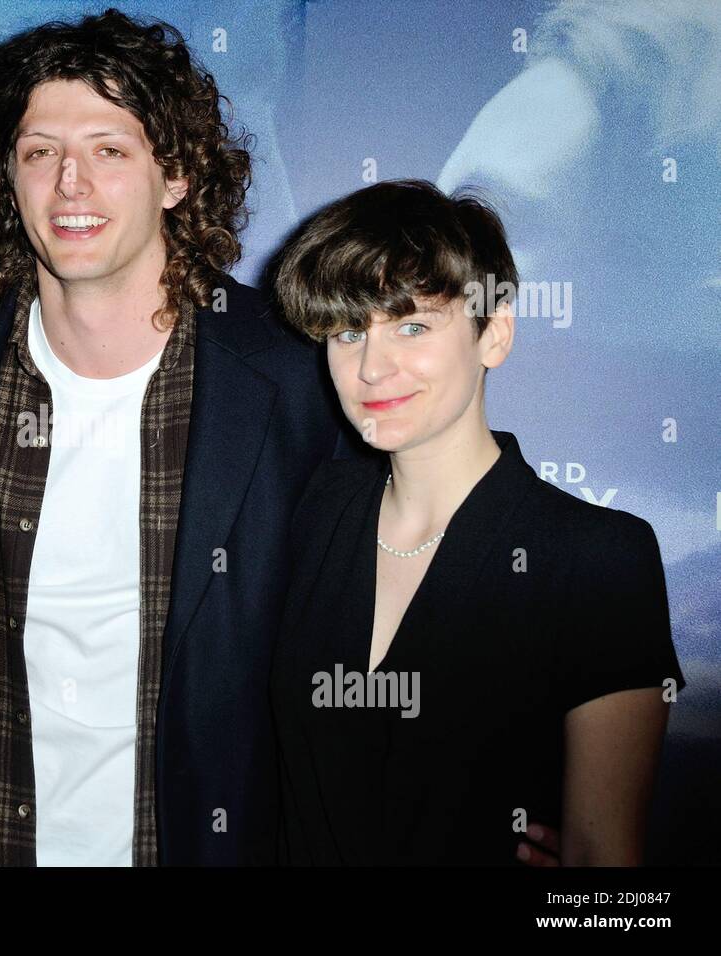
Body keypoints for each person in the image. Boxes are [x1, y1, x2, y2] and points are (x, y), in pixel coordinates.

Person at [0, 8, 351, 866]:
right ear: (6, 179)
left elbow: (383, 608)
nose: (72, 182)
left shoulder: (296, 379)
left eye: (109, 149)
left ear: (174, 175)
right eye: (40, 153)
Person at [269, 179, 686, 865]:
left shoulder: (597, 559)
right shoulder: (312, 514)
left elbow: (609, 877)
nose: (372, 367)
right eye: (348, 330)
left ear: (494, 334)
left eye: (412, 325)